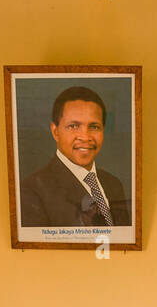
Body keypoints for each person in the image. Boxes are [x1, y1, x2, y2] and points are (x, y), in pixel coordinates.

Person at [19, 86, 131, 228]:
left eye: (94, 127)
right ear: (55, 132)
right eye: (73, 126)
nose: (85, 137)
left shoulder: (114, 184)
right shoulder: (32, 191)